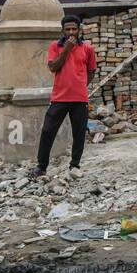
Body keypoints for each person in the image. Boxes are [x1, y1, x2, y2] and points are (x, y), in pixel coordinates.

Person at [31, 14, 98, 179]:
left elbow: (92, 71)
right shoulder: (55, 46)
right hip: (59, 98)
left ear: (79, 30)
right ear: (62, 31)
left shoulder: (87, 49)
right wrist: (67, 49)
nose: (71, 32)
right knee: (48, 131)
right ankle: (41, 167)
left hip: (79, 98)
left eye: (74, 29)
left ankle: (75, 166)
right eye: (67, 29)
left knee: (79, 133)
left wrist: (81, 85)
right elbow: (53, 67)